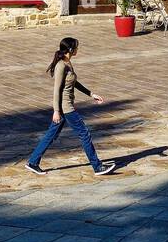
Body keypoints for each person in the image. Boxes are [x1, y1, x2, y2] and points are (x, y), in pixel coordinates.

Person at [25, 36, 115, 175]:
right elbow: (57, 90)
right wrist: (56, 111)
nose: (78, 49)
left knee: (50, 135)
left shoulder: (68, 63)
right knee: (84, 134)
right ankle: (97, 167)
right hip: (66, 109)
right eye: (76, 47)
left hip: (65, 108)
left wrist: (91, 94)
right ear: (71, 49)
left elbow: (74, 82)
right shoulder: (61, 66)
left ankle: (33, 162)